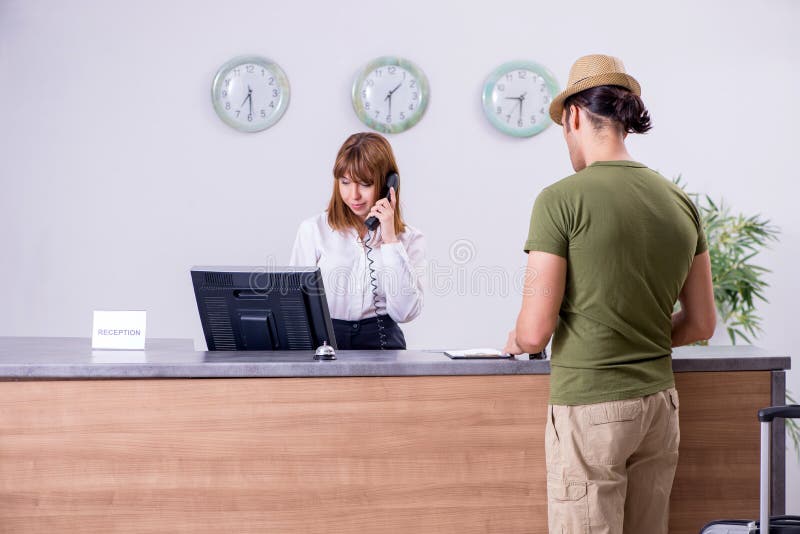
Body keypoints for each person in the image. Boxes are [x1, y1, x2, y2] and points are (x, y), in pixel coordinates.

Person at [503, 54, 716, 534]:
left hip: (589, 408)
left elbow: (535, 331)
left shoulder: (560, 200)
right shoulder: (678, 202)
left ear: (574, 116)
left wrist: (516, 339)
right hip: (659, 408)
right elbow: (701, 324)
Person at [290, 132, 425, 350]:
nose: (353, 195)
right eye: (345, 182)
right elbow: (295, 303)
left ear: (387, 185)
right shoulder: (314, 230)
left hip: (382, 343)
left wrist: (390, 239)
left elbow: (404, 313)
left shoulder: (409, 238)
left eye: (365, 184)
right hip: (325, 344)